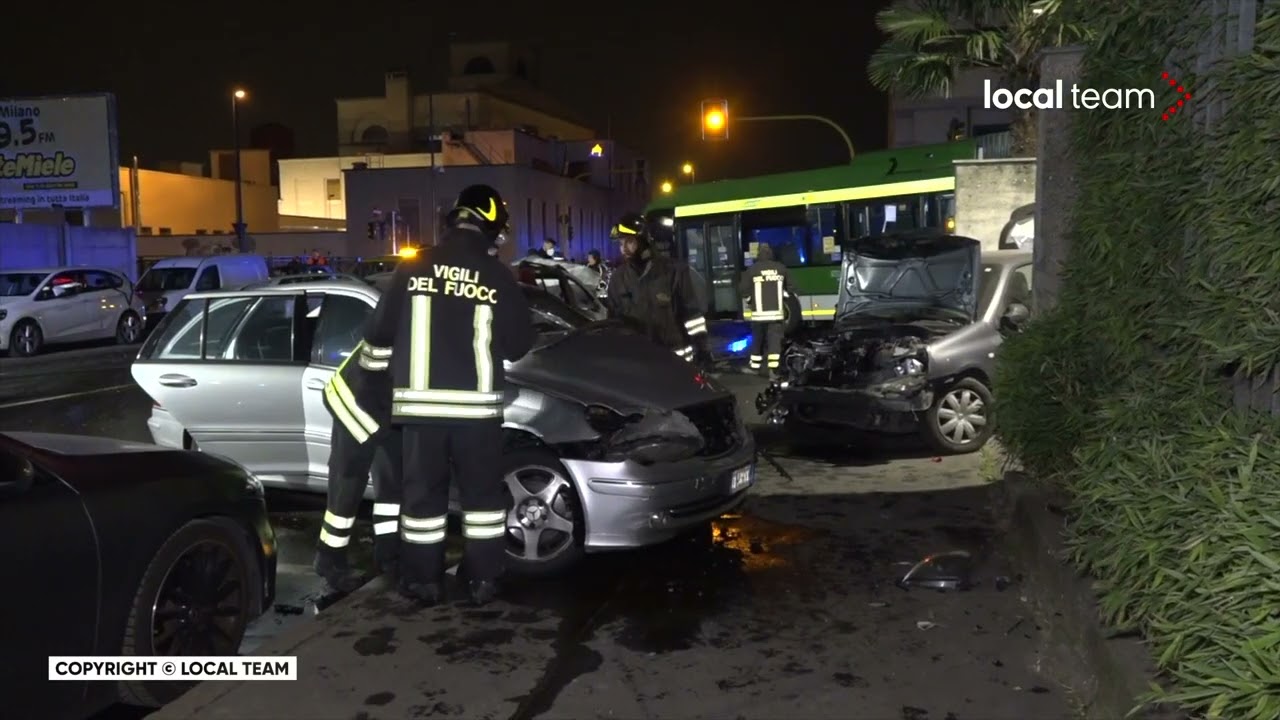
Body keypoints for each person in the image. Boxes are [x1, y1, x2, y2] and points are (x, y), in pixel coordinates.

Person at [361, 184, 536, 606]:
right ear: (489, 227)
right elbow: (518, 345)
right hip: (478, 416)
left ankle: (423, 582)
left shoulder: (414, 266)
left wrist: (374, 387)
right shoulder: (497, 276)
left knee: (422, 501)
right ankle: (483, 581)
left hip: (420, 416)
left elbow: (377, 336)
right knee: (482, 503)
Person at [313, 340, 404, 592]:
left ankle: (388, 553)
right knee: (348, 485)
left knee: (392, 483)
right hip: (356, 401)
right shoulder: (413, 311)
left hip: (386, 409)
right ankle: (329, 559)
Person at [606, 212, 708, 363]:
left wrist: (703, 348)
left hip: (675, 361)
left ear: (643, 241)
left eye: (629, 242)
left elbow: (692, 315)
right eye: (621, 244)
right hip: (637, 362)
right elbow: (613, 322)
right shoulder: (617, 279)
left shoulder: (674, 272)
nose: (624, 249)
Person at [738, 243, 795, 378]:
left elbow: (742, 290)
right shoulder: (781, 268)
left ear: (758, 254)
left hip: (758, 315)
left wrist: (750, 299)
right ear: (772, 254)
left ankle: (754, 368)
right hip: (776, 315)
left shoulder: (752, 270)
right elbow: (791, 288)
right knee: (774, 342)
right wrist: (783, 296)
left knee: (757, 341)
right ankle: (773, 371)